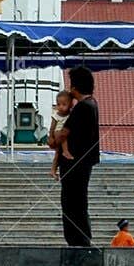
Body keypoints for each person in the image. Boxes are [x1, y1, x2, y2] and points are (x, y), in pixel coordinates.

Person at [55, 66, 100, 247]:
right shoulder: (92, 105)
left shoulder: (82, 107)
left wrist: (55, 136)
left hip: (74, 163)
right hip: (84, 162)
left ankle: (77, 240)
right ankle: (82, 239)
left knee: (71, 203)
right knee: (79, 202)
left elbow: (63, 134)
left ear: (75, 87)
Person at [47, 88, 75, 181]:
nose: (61, 107)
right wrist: (51, 137)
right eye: (58, 104)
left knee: (57, 153)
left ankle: (53, 170)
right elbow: (52, 127)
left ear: (70, 104)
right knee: (63, 137)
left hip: (63, 132)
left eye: (64, 104)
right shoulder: (56, 115)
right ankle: (66, 151)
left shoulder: (70, 114)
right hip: (58, 132)